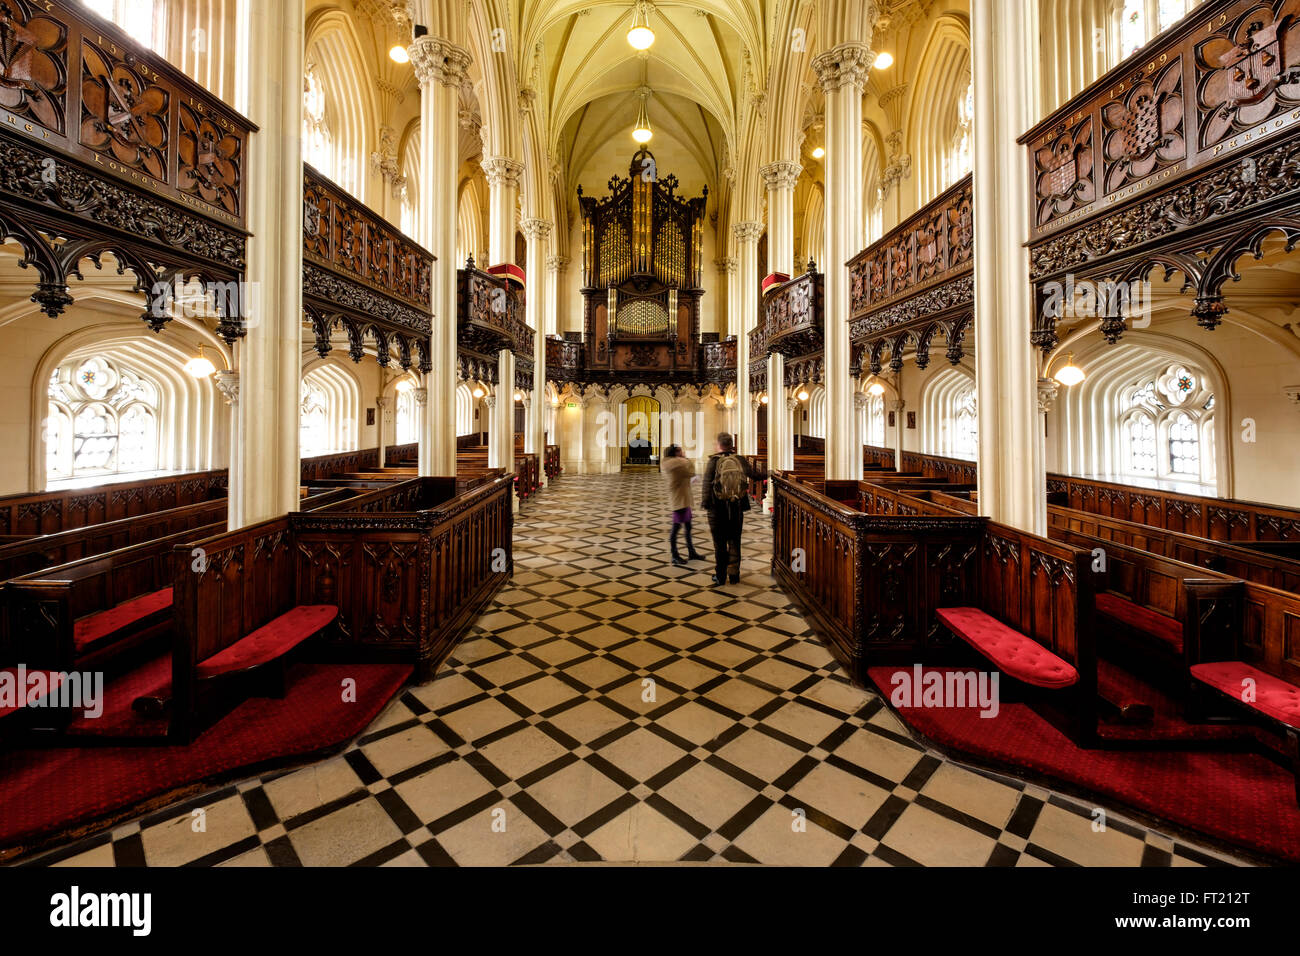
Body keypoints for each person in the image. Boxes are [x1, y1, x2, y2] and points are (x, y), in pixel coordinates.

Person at [701, 432, 753, 586]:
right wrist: (772, 473)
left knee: (720, 543)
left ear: (719, 445)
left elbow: (706, 483)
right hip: (736, 506)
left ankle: (720, 575)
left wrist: (705, 503)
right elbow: (754, 475)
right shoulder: (740, 459)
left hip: (717, 508)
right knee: (735, 541)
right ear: (731, 444)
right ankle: (734, 574)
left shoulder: (714, 461)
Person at [661, 444, 704, 567]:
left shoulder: (673, 463)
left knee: (688, 527)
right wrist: (686, 459)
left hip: (683, 499)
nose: (683, 452)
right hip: (679, 500)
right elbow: (690, 471)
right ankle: (675, 555)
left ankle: (691, 552)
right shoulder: (676, 464)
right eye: (680, 450)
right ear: (675, 453)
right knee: (676, 529)